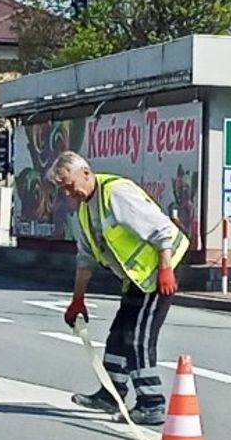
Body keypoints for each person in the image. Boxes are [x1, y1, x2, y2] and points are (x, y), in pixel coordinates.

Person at [47, 151, 188, 425]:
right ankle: (111, 393)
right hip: (138, 276)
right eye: (61, 188)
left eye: (68, 184)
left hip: (160, 269)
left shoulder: (116, 193)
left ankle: (151, 403)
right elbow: (86, 258)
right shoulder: (85, 209)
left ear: (85, 173)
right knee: (118, 334)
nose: (66, 192)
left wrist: (166, 269)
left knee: (138, 337)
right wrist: (77, 300)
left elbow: (161, 229)